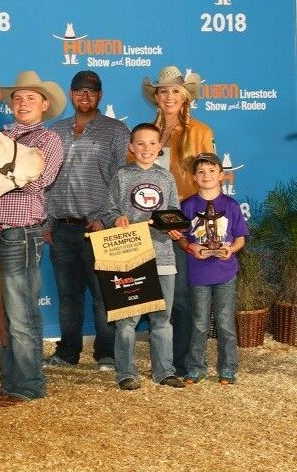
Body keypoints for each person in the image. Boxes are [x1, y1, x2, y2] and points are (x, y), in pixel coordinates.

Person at [0, 71, 65, 406]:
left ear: (44, 105)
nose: (23, 103)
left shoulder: (47, 140)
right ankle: (10, 381)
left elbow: (33, 180)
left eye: (31, 98)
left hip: (19, 234)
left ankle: (29, 385)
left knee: (21, 312)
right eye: (18, 98)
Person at [45, 71, 128, 371]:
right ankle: (68, 352)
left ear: (100, 96)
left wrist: (104, 218)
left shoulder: (116, 131)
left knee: (103, 295)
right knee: (68, 296)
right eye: (79, 91)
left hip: (99, 227)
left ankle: (105, 352)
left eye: (91, 92)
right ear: (70, 94)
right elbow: (45, 179)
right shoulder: (55, 131)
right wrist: (46, 222)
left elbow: (122, 180)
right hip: (62, 225)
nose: (85, 96)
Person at [141, 65, 215, 376]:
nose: (169, 96)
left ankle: (183, 361)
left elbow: (208, 179)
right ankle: (162, 359)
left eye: (175, 91)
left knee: (181, 296)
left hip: (183, 223)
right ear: (156, 97)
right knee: (153, 293)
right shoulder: (145, 133)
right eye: (163, 91)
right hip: (147, 222)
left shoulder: (200, 131)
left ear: (184, 97)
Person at [99, 123, 185, 391]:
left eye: (152, 143)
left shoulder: (166, 177)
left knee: (162, 318)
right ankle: (126, 372)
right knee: (127, 320)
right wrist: (116, 218)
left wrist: (174, 228)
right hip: (131, 255)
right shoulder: (122, 175)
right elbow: (108, 209)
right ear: (131, 147)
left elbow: (174, 212)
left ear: (160, 147)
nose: (146, 148)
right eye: (141, 143)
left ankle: (164, 371)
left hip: (163, 256)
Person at [180, 153, 247, 385]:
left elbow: (240, 237)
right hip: (199, 273)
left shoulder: (231, 205)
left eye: (211, 171)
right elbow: (182, 238)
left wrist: (232, 250)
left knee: (225, 322)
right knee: (199, 322)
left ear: (221, 175)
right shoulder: (187, 206)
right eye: (200, 172)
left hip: (225, 272)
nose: (206, 175)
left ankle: (228, 368)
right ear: (194, 177)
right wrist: (191, 247)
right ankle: (196, 367)